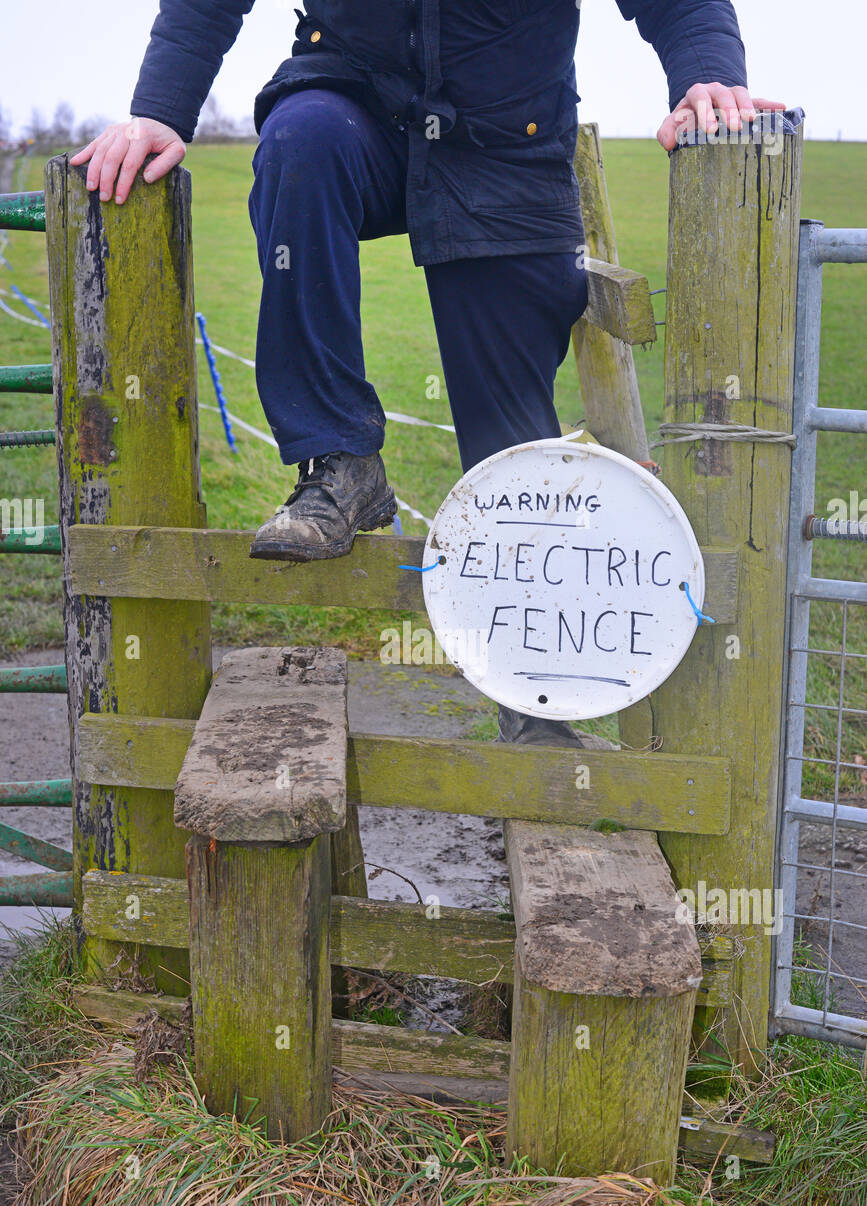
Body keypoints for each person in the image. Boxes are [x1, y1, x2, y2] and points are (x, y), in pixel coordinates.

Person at [72, 1, 783, 744]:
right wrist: (160, 110)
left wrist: (707, 76)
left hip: (506, 145)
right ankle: (339, 461)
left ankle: (532, 693)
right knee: (301, 141)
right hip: (352, 106)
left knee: (509, 446)